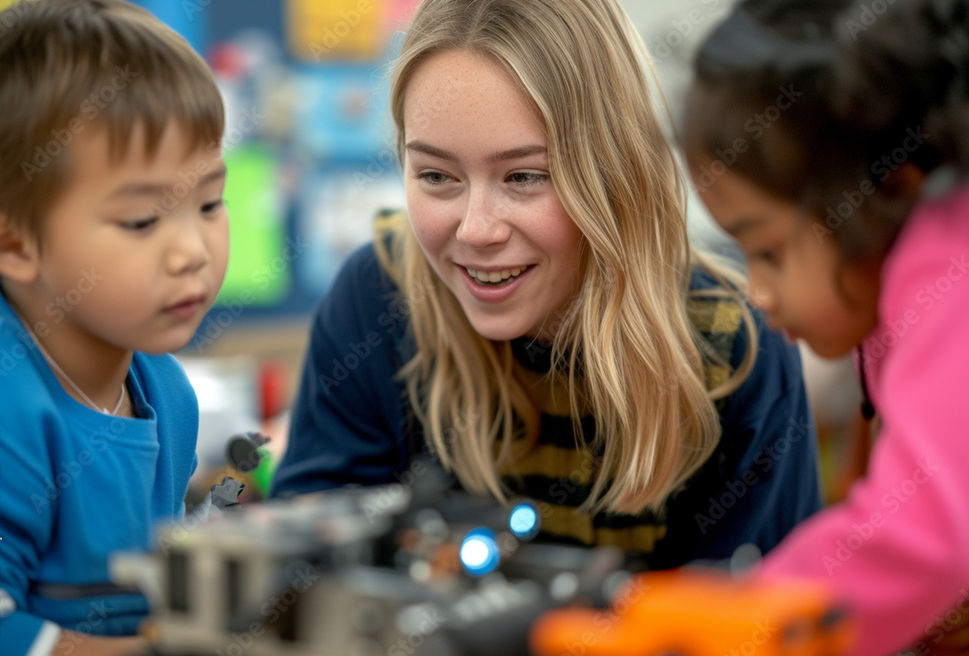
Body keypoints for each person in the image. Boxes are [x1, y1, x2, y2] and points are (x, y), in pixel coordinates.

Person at [273, 0, 820, 572]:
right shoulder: (377, 300)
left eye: (524, 177)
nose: (476, 230)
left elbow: (764, 629)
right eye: (436, 176)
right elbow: (303, 584)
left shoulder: (732, 344)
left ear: (615, 171)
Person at [682, 0, 969, 656]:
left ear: (888, 191)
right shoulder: (908, 266)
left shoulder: (947, 261)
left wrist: (736, 623)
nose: (755, 291)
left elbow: (921, 539)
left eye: (770, 250)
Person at [0, 1, 228, 656]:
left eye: (209, 203)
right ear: (13, 243)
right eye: (144, 220)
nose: (194, 249)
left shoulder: (167, 390)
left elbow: (155, 585)